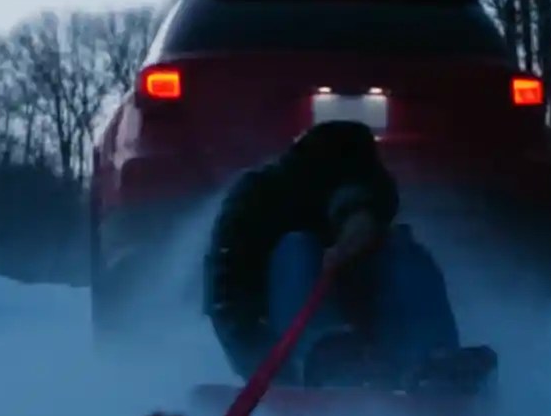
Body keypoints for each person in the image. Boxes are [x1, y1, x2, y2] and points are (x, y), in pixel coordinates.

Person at [202, 120, 495, 392]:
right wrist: (263, 368)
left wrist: (358, 226)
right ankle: (327, 356)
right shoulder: (256, 201)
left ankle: (432, 358)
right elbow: (226, 295)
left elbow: (363, 205)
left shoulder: (376, 213)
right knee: (296, 249)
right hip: (288, 347)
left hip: (378, 345)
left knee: (400, 246)